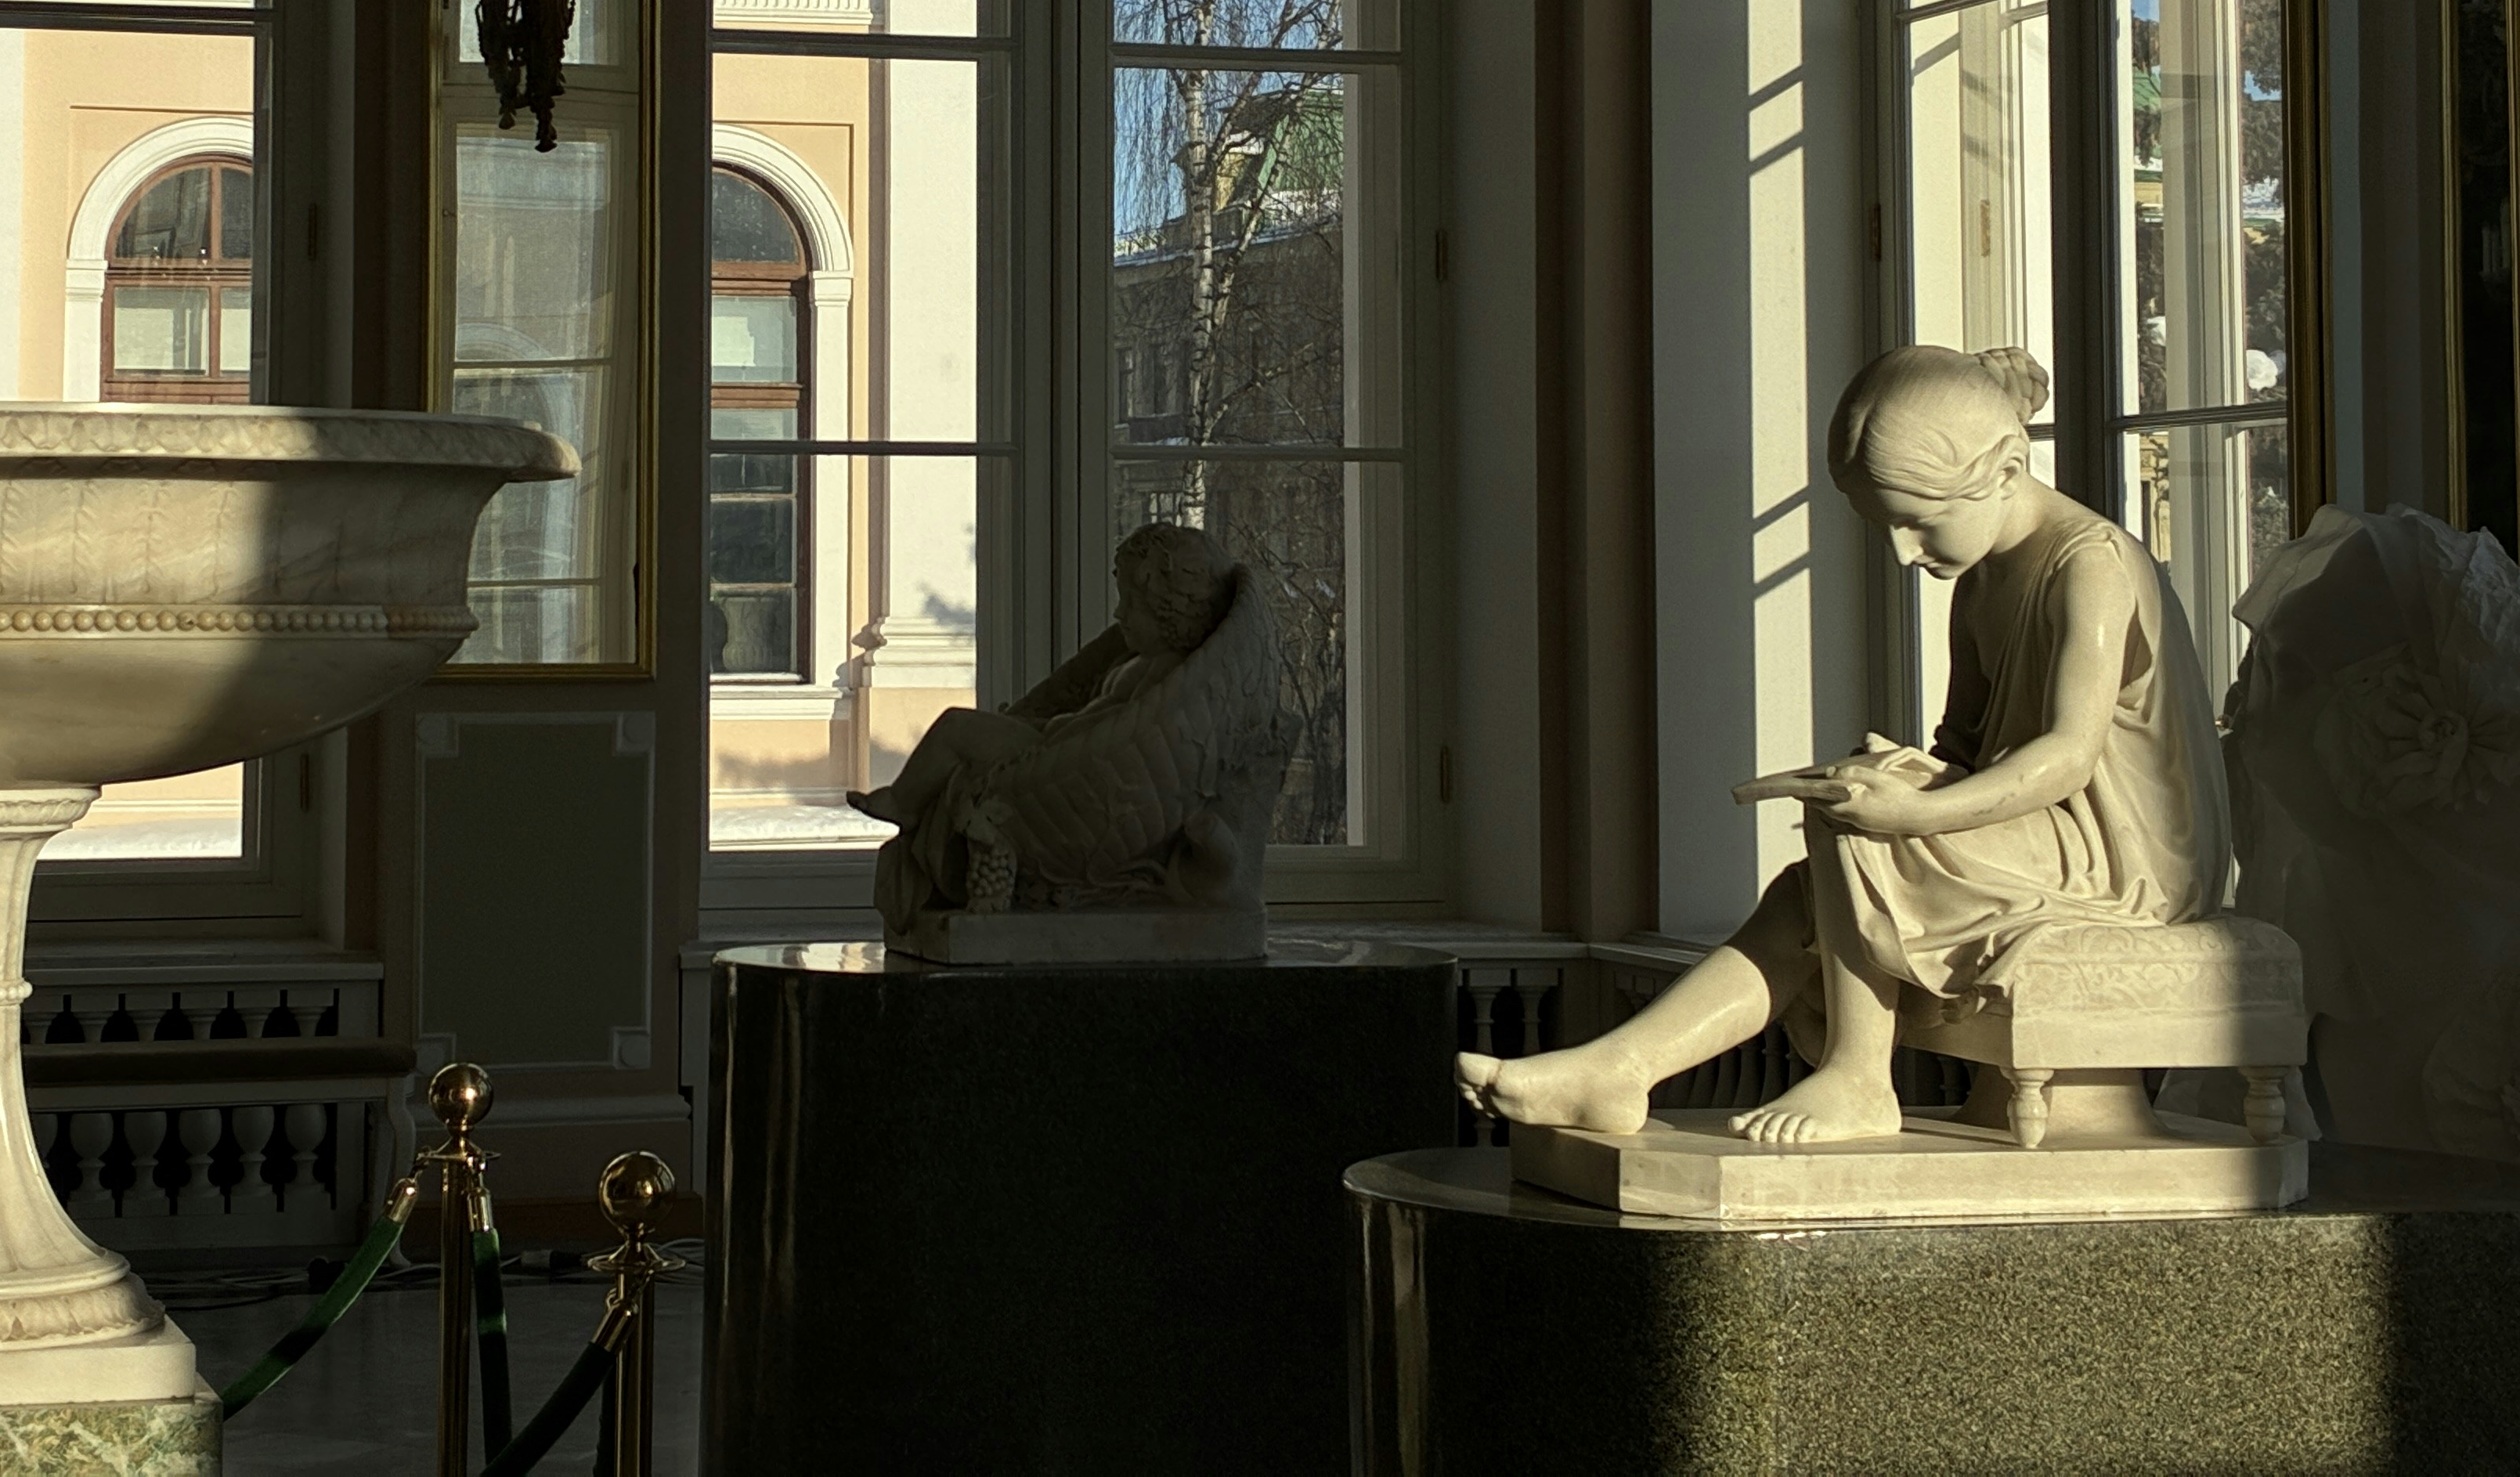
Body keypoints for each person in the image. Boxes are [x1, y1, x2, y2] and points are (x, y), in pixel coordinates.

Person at [1457, 345, 2230, 1144]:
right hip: (2044, 830)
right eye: (1887, 526)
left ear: (2004, 471)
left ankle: (1862, 1077)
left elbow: (2067, 756)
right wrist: (1898, 779)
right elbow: (1964, 746)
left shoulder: (2089, 565)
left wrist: (1905, 815)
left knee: (1861, 831)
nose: (1903, 552)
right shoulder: (1979, 580)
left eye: (1918, 523)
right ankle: (1620, 1070)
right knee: (1826, 857)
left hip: (2125, 856)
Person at [857, 523, 1286, 935]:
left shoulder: (1165, 677)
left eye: (1132, 604)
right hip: (1057, 746)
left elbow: (1126, 740)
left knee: (956, 728)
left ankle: (903, 800)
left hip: (1060, 759)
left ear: (1169, 613)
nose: (1119, 614)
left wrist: (1050, 732)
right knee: (965, 746)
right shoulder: (1137, 665)